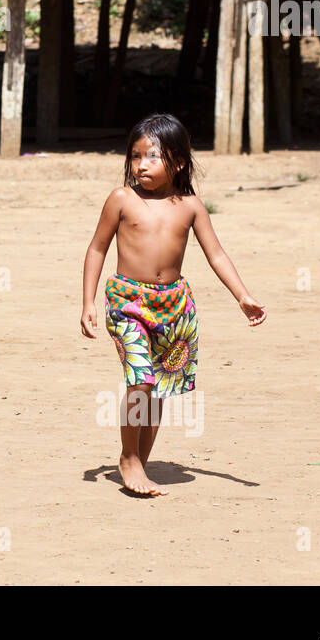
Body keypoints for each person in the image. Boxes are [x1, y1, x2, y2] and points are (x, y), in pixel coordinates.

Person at [80, 113, 265, 496]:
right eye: (135, 156)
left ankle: (140, 461)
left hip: (174, 308)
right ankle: (128, 457)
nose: (140, 165)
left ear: (178, 161)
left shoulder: (191, 206)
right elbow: (97, 247)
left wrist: (243, 295)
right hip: (128, 302)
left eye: (151, 156)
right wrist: (88, 302)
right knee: (141, 380)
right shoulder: (122, 199)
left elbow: (216, 255)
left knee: (160, 387)